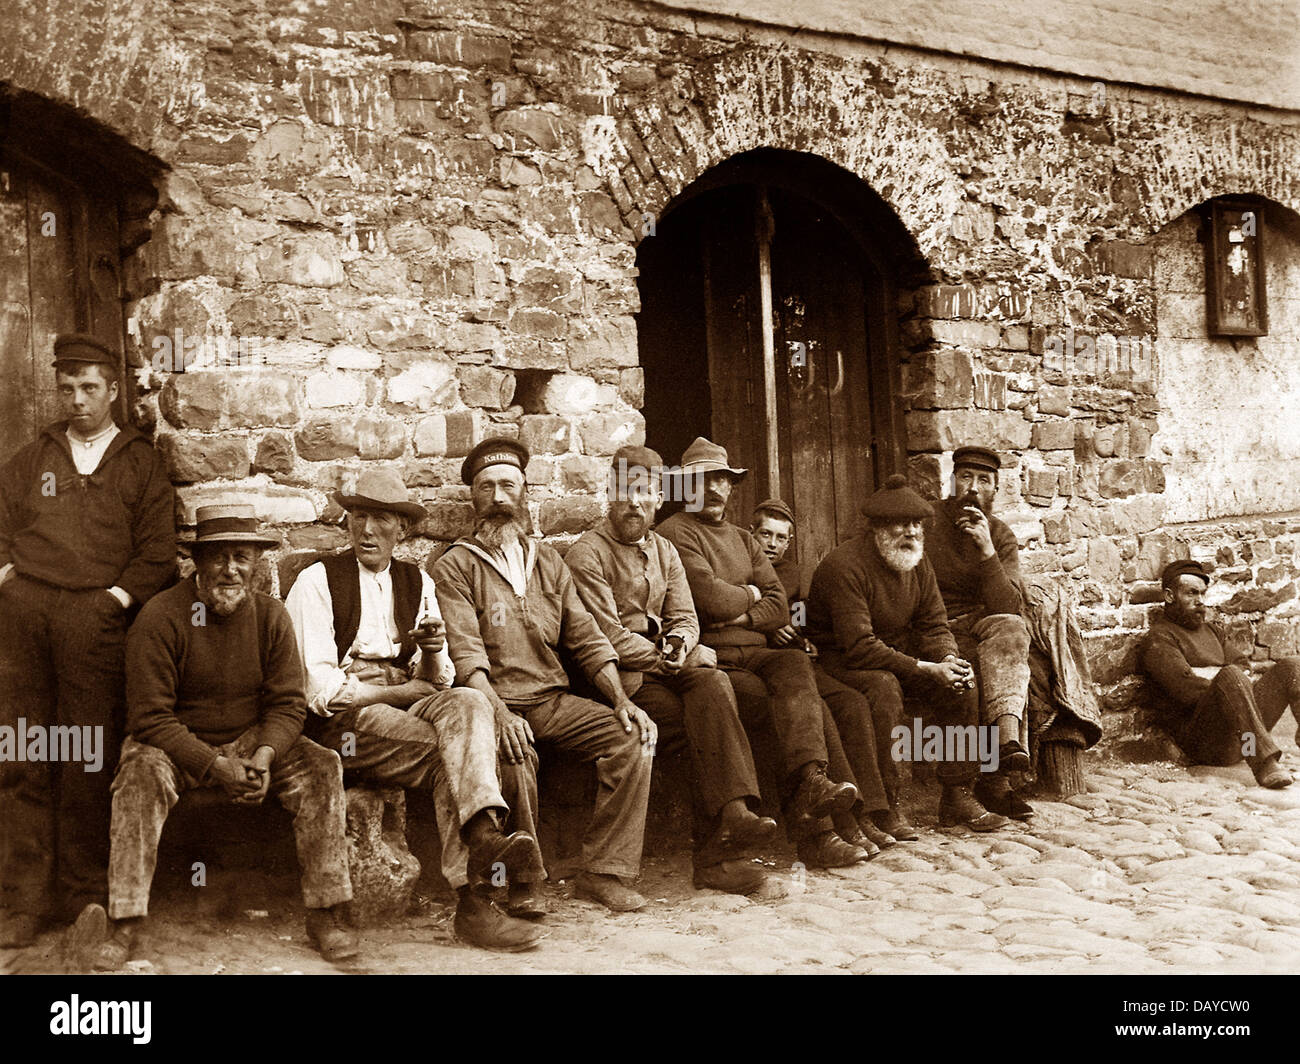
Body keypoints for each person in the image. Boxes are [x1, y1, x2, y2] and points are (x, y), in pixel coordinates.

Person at [84, 504, 357, 969]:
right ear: (197, 562)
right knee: (139, 774)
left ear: (256, 565)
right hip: (174, 745)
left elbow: (288, 703)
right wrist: (214, 766)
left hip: (250, 741)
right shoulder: (161, 616)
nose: (229, 569)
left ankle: (328, 911)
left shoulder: (270, 616)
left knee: (322, 763)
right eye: (218, 557)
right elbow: (149, 717)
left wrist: (265, 756)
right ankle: (124, 918)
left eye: (241, 557)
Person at [285, 468, 544, 951]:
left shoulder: (415, 581)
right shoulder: (317, 581)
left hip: (405, 704)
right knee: (455, 759)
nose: (367, 531)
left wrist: (428, 650)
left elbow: (441, 678)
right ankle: (475, 901)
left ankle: (485, 837)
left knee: (469, 701)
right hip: (345, 726)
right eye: (359, 517)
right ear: (346, 522)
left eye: (381, 520)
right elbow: (322, 691)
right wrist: (404, 689)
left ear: (401, 530)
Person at [0, 334, 176, 949]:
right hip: (24, 618)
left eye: (90, 388)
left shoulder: (139, 461)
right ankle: (23, 901)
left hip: (94, 623)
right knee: (22, 753)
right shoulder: (34, 458)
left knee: (84, 757)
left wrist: (115, 601)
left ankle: (84, 897)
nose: (77, 400)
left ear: (113, 390)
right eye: (67, 388)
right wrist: (9, 582)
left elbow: (159, 552)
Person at [431, 438, 657, 913]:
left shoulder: (548, 562)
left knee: (633, 737)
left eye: (507, 486)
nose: (497, 497)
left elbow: (587, 637)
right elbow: (465, 655)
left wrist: (620, 699)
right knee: (514, 756)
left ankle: (605, 871)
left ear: (523, 493)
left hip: (553, 701)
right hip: (494, 704)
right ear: (473, 497)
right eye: (486, 487)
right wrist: (499, 714)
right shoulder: (455, 565)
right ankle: (522, 881)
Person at [565, 446, 779, 896]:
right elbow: (605, 635)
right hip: (617, 679)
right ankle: (719, 854)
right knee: (697, 720)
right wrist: (667, 656)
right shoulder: (587, 554)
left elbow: (684, 614)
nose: (634, 503)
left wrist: (681, 644)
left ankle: (735, 814)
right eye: (625, 491)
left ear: (659, 497)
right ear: (609, 493)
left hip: (665, 665)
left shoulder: (664, 549)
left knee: (715, 683)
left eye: (645, 493)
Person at [657, 438, 867, 869]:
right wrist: (747, 598)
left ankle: (814, 784)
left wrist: (743, 614)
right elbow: (707, 600)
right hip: (712, 657)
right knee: (788, 708)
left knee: (794, 666)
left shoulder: (742, 539)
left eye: (722, 480)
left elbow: (777, 605)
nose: (714, 489)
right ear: (684, 486)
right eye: (703, 480)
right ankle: (822, 832)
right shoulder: (674, 533)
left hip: (756, 650)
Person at [806, 474, 1010, 833]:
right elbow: (858, 647)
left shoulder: (918, 563)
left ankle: (957, 794)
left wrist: (947, 659)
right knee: (884, 690)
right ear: (877, 529)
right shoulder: (845, 566)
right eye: (900, 524)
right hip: (841, 660)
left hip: (896, 655)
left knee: (962, 678)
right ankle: (887, 804)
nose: (911, 532)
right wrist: (924, 667)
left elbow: (934, 624)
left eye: (916, 523)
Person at [750, 499, 899, 848]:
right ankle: (843, 824)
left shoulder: (798, 575)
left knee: (851, 702)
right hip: (762, 664)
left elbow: (805, 620)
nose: (772, 544)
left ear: (789, 542)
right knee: (821, 709)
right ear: (751, 534)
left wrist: (795, 631)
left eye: (780, 538)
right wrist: (771, 627)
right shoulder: (742, 568)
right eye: (765, 535)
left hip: (797, 661)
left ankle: (868, 811)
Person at [921, 446, 1034, 819]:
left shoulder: (999, 535)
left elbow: (1007, 606)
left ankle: (1003, 754)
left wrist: (986, 551)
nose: (973, 488)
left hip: (979, 622)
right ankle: (974, 786)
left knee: (1012, 630)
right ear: (952, 482)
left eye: (983, 481)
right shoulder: (928, 522)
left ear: (995, 490)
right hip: (930, 624)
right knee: (970, 668)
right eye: (966, 478)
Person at [1141, 559, 1297, 789]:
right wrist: (1226, 680)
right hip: (1206, 745)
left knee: (1293, 666)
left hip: (1243, 737)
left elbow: (1243, 665)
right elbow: (1186, 690)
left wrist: (1223, 678)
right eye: (1192, 594)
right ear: (1170, 596)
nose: (1200, 602)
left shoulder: (1213, 631)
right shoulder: (1159, 638)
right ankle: (1264, 764)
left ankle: (1257, 747)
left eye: (1203, 594)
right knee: (1231, 677)